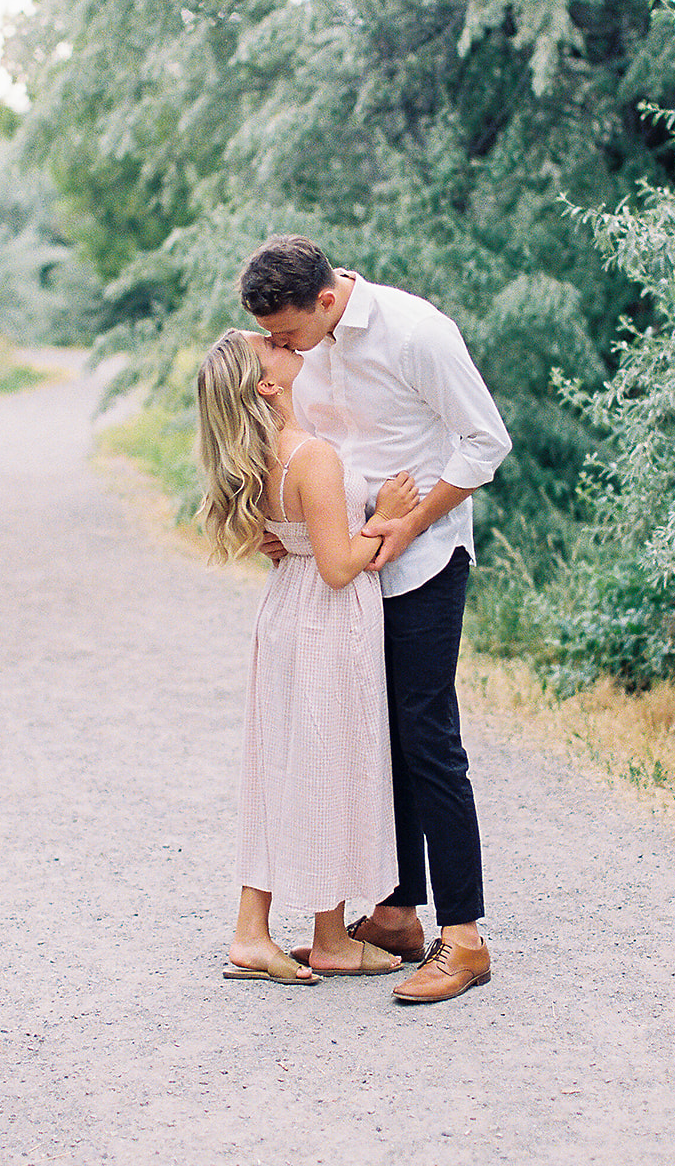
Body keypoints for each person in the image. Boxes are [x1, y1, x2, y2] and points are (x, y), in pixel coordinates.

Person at [239, 235, 512, 1004]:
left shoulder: (417, 333)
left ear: (327, 300)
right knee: (371, 734)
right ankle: (395, 914)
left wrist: (414, 522)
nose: (277, 348)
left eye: (287, 334)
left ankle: (464, 939)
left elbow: (487, 441)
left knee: (427, 737)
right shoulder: (294, 346)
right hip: (343, 571)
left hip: (422, 562)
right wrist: (288, 524)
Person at [196, 327, 420, 984]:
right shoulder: (310, 457)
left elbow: (298, 545)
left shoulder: (261, 459)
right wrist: (386, 515)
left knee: (297, 763)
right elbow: (340, 565)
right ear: (266, 384)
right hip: (325, 619)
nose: (276, 337)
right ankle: (290, 934)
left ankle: (327, 935)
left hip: (286, 611)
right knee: (330, 765)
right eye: (264, 343)